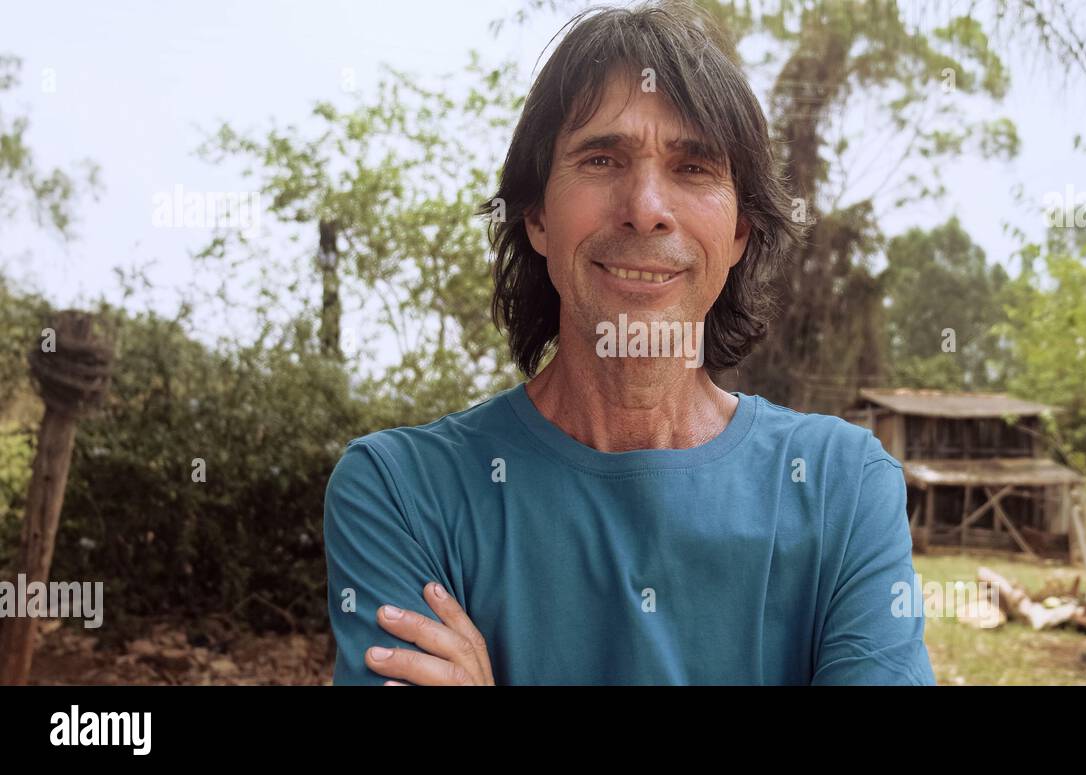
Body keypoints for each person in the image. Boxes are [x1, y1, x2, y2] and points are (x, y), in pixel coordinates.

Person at [324, 1, 936, 685]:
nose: (646, 206)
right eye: (603, 157)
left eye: (694, 166)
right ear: (538, 218)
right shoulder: (404, 491)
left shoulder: (842, 487)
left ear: (738, 232)